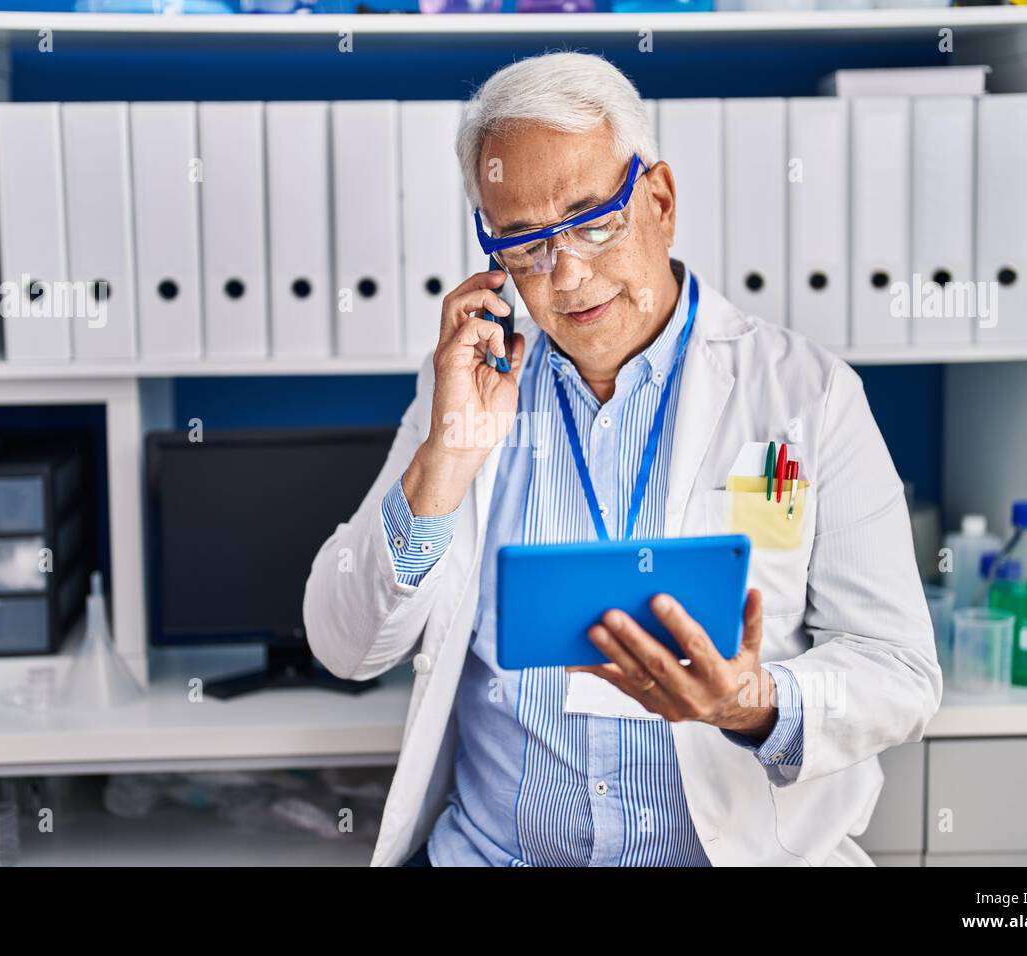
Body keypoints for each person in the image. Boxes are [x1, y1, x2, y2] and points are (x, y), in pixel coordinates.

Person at [304, 51, 941, 866]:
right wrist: (446, 455)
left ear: (660, 199)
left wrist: (755, 703)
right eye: (523, 244)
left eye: (593, 219)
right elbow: (344, 645)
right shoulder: (471, 389)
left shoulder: (806, 396)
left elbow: (901, 673)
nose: (566, 274)